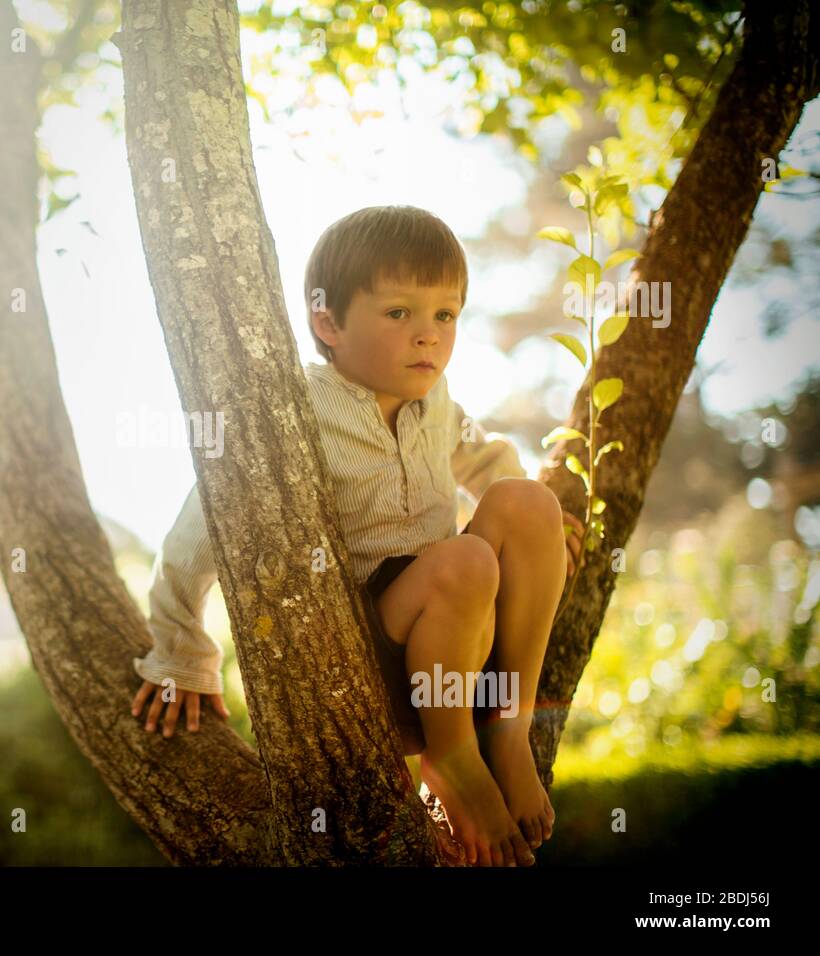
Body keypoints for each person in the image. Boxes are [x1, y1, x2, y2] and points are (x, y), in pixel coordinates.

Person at [129, 205, 584, 866]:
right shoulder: (299, 409)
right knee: (464, 561)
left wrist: (543, 530)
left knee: (525, 503)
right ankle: (451, 758)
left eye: (445, 316)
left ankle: (507, 730)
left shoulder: (438, 402)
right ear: (328, 323)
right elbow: (204, 523)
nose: (427, 337)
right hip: (377, 643)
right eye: (399, 314)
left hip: (460, 630)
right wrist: (181, 654)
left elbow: (486, 463)